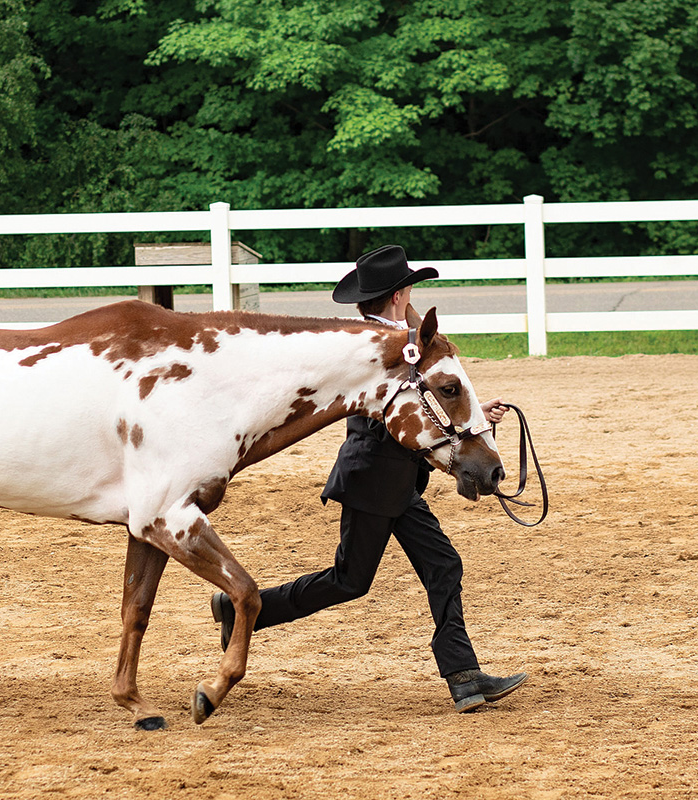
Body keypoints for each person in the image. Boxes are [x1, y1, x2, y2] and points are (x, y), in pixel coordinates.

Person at [210, 244, 528, 713]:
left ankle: (464, 678)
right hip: (373, 481)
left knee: (442, 566)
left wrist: (469, 419)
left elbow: (421, 406)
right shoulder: (377, 345)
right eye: (409, 288)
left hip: (396, 482)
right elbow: (397, 415)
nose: (412, 295)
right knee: (350, 581)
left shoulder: (394, 339)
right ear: (399, 294)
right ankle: (244, 609)